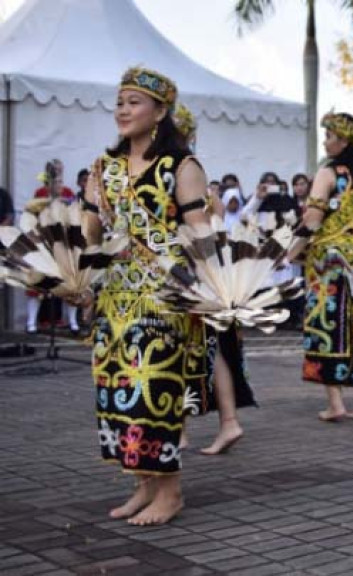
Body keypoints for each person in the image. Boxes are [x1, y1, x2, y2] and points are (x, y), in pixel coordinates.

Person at [79, 66, 216, 525]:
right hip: (114, 301)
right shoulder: (103, 169)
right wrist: (78, 278)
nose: (122, 109)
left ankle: (170, 492)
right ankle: (142, 485)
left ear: (160, 111)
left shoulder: (181, 166)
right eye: (119, 101)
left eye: (133, 101)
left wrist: (211, 287)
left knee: (153, 391)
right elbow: (90, 234)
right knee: (117, 394)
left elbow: (201, 233)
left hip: (163, 299)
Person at [173, 102, 254, 457]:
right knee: (214, 347)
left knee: (176, 346)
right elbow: (218, 224)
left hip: (186, 272)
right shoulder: (204, 185)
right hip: (209, 270)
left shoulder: (177, 173)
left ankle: (180, 430)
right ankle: (228, 421)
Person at [288, 111, 353, 422]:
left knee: (326, 326)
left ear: (343, 140)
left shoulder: (328, 174)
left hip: (329, 264)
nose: (326, 142)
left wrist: (288, 252)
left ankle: (336, 403)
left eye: (329, 136)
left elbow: (312, 221)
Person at [27, 159, 79, 335]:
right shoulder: (40, 193)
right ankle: (31, 324)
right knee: (38, 283)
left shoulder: (69, 193)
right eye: (55, 173)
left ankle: (73, 323)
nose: (59, 177)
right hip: (45, 243)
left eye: (60, 173)